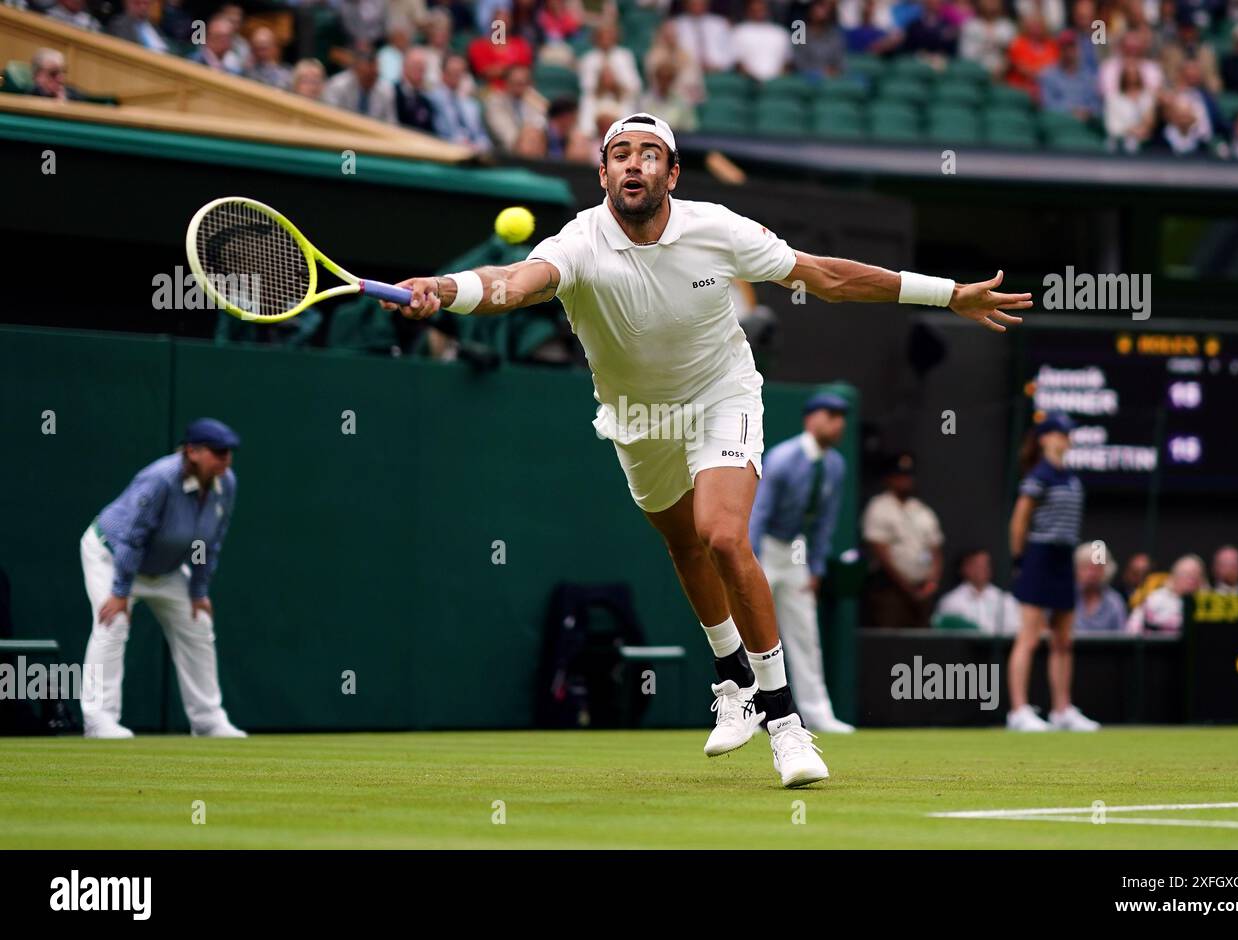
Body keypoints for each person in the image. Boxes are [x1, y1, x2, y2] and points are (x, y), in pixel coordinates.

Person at [379, 112, 1030, 786]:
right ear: (602, 173)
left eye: (650, 154)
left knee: (721, 536)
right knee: (683, 544)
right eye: (621, 155)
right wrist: (445, 291)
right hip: (637, 418)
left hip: (722, 396)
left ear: (672, 173)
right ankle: (732, 677)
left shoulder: (717, 229)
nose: (635, 164)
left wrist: (946, 293)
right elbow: (514, 282)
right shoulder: (578, 242)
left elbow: (826, 276)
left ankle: (785, 723)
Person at [80, 419, 246, 739]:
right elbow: (132, 538)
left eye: (229, 453)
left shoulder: (227, 484)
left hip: (167, 569)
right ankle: (99, 720)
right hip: (112, 557)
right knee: (112, 624)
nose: (226, 459)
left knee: (198, 624)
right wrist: (120, 592)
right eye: (218, 452)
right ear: (192, 452)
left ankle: (208, 720)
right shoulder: (159, 480)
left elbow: (209, 542)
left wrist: (198, 590)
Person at [749, 393, 854, 734]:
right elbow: (759, 514)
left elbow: (825, 521)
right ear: (811, 419)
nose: (837, 423)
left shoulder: (836, 466)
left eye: (841, 417)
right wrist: (751, 563)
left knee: (805, 633)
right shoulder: (782, 459)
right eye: (830, 415)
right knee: (753, 632)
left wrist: (816, 566)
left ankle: (817, 711)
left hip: (797, 551)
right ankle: (751, 714)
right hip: (764, 548)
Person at [1006, 412, 1099, 732]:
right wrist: (1020, 560)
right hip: (1039, 557)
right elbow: (1018, 521)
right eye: (1059, 433)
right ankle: (1018, 711)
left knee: (1063, 640)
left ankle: (1061, 709)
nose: (1065, 439)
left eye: (1067, 434)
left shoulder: (1071, 478)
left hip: (1063, 558)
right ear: (1044, 438)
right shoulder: (1038, 476)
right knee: (1029, 638)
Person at [862, 453, 944, 629]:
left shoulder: (922, 509)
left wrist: (932, 583)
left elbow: (935, 549)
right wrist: (908, 588)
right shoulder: (879, 506)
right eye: (899, 476)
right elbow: (881, 553)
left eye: (908, 476)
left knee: (919, 647)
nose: (905, 480)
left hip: (923, 590)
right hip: (890, 590)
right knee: (890, 645)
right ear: (889, 479)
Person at [935, 548, 1021, 635]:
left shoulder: (1005, 599)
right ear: (964, 568)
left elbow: (1015, 628)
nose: (982, 569)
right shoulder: (950, 600)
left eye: (985, 565)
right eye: (977, 565)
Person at [1127, 554, 1205, 633]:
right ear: (1174, 576)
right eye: (1187, 574)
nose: (1192, 579)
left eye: (1196, 575)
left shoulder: (1206, 600)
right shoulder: (1156, 599)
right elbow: (1133, 628)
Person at [323, 45, 397, 122]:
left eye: (374, 74)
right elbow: (329, 117)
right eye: (367, 75)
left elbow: (391, 123)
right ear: (356, 69)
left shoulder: (386, 91)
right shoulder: (337, 86)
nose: (371, 77)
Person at [1073, 541, 1127, 633]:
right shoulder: (1062, 597)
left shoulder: (1115, 602)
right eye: (1085, 567)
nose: (1091, 574)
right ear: (1076, 569)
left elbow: (1122, 637)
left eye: (1096, 568)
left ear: (1106, 570)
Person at [247, 26, 292, 91]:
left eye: (263, 48)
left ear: (274, 48)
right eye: (256, 48)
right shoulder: (247, 72)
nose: (260, 53)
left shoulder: (286, 74)